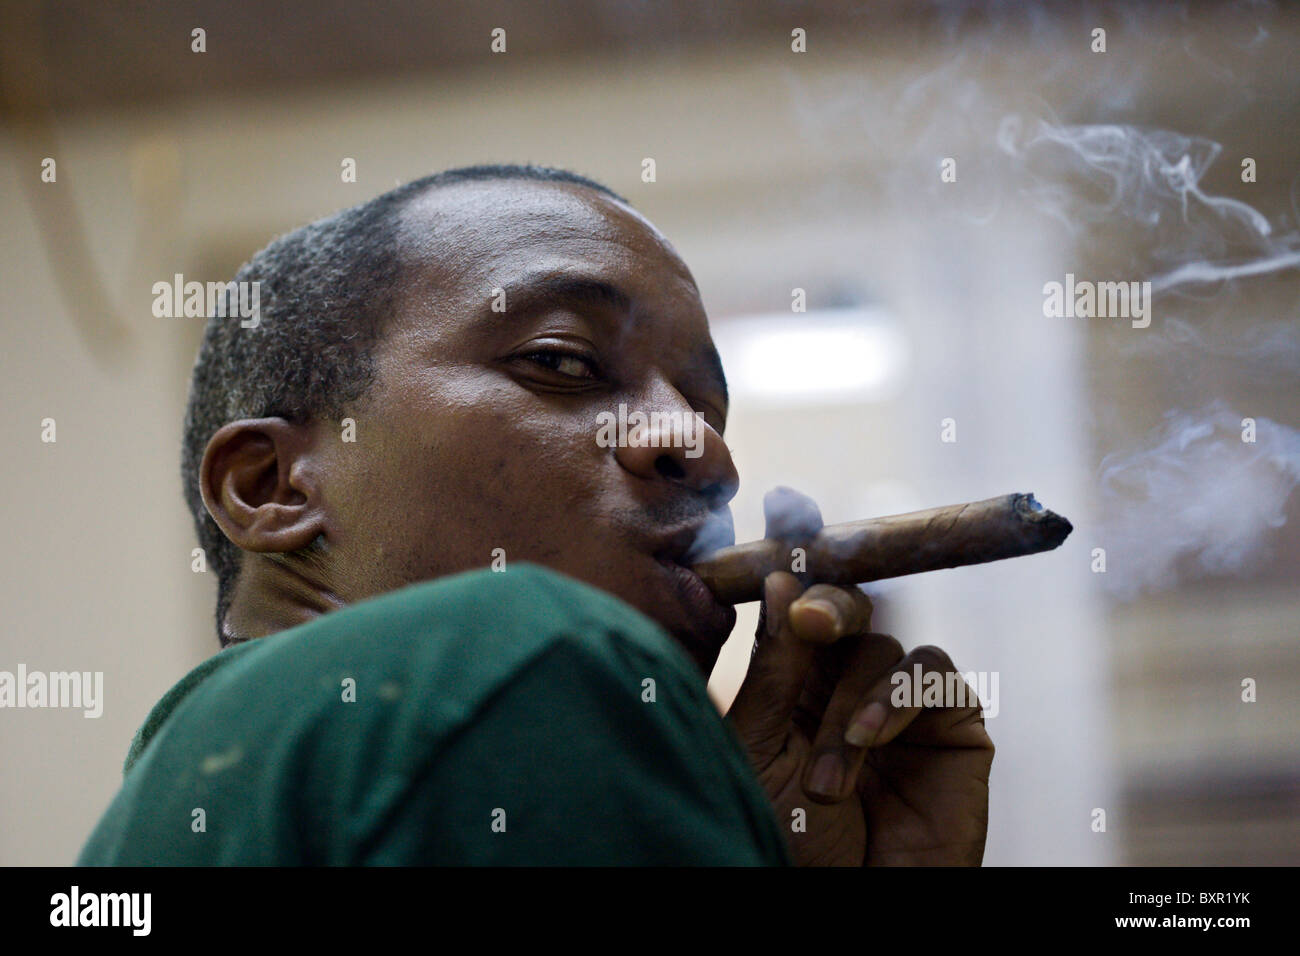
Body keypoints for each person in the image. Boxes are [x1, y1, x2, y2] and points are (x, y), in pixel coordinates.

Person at [78, 165, 993, 866]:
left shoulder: (210, 778)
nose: (703, 450)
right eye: (560, 362)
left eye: (709, 412)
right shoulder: (521, 654)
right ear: (271, 487)